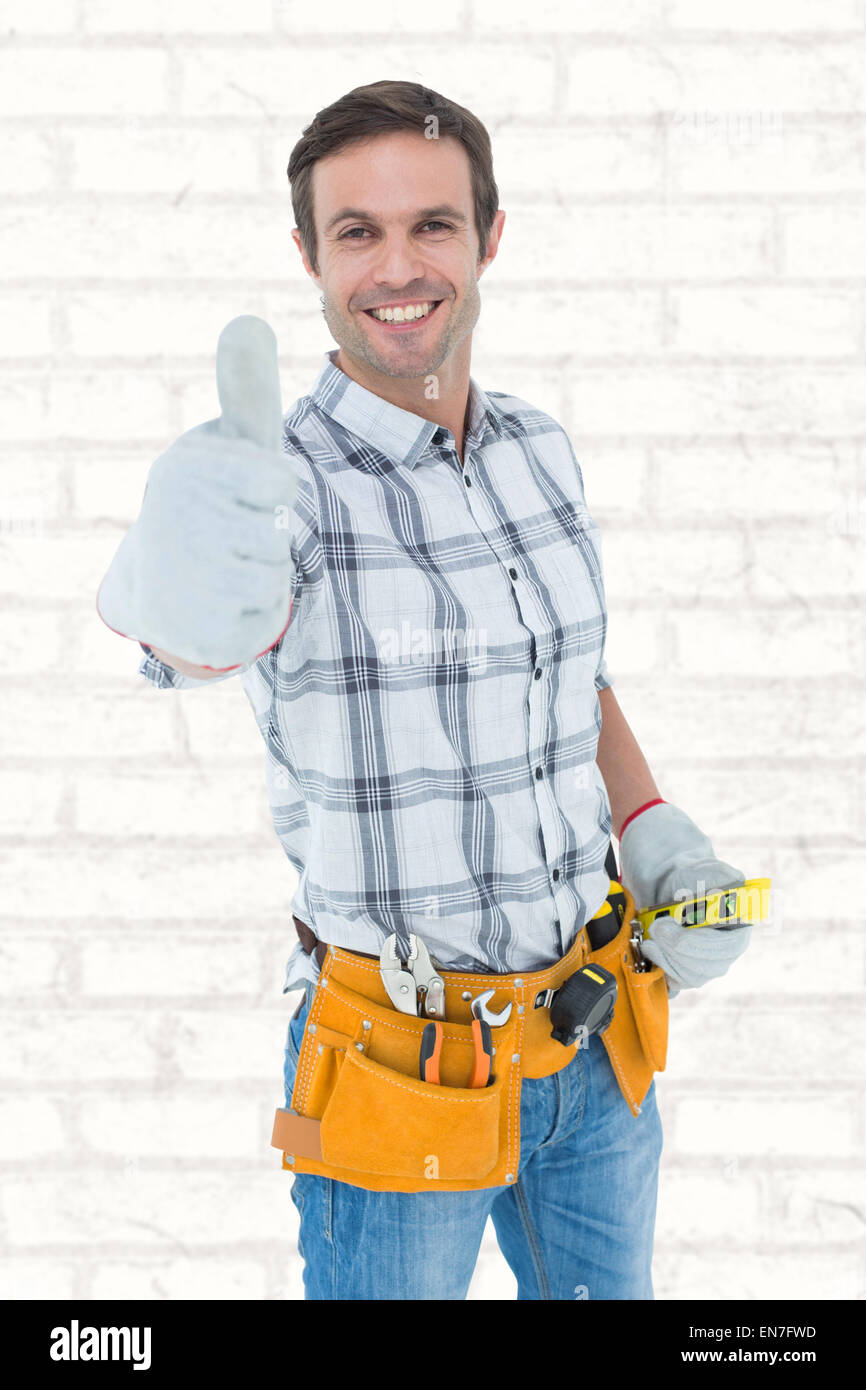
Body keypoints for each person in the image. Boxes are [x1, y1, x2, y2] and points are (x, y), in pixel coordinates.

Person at [95, 80, 752, 1301]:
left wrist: (655, 830)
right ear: (309, 255)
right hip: (397, 1067)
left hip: (595, 1044)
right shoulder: (266, 488)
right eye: (356, 232)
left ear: (487, 237)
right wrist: (165, 577)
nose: (396, 267)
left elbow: (564, 677)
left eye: (431, 226)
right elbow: (184, 635)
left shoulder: (539, 451)